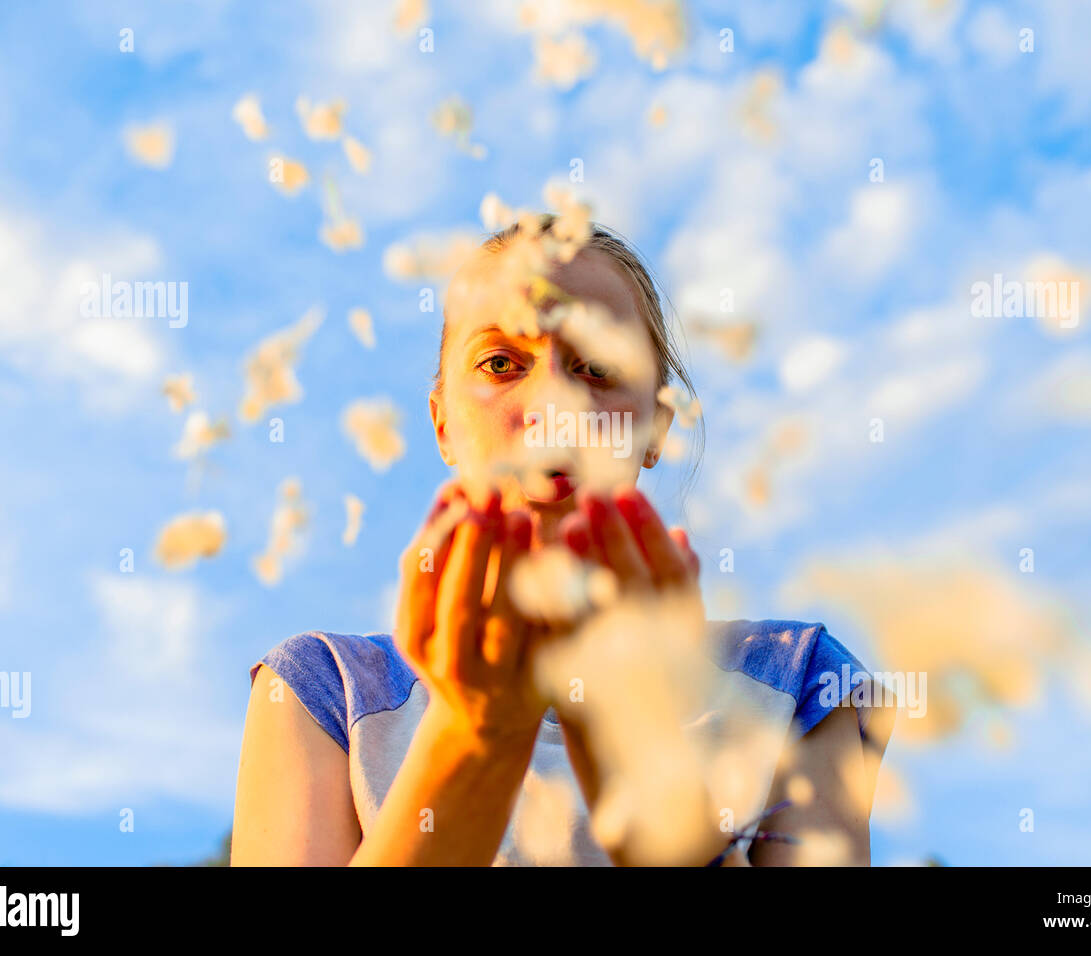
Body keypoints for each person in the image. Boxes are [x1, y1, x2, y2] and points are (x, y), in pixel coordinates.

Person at [231, 215, 895, 866]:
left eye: (598, 366)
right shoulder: (324, 694)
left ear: (657, 427)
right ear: (442, 425)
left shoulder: (793, 682)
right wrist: (475, 734)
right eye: (499, 363)